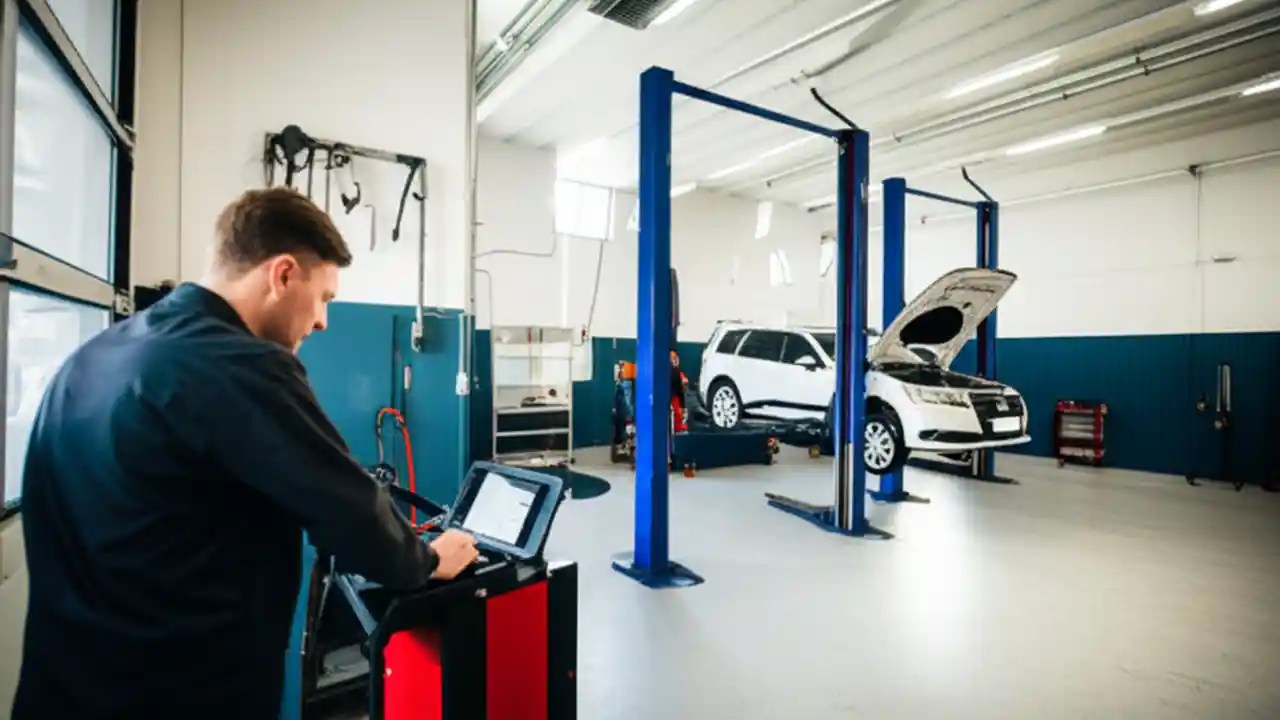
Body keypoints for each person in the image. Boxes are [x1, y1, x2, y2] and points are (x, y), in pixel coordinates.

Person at [12, 188, 478, 718]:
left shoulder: (94, 356)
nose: (324, 320)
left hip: (61, 689)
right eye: (324, 297)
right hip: (179, 695)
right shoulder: (240, 364)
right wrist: (430, 558)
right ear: (282, 274)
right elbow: (350, 512)